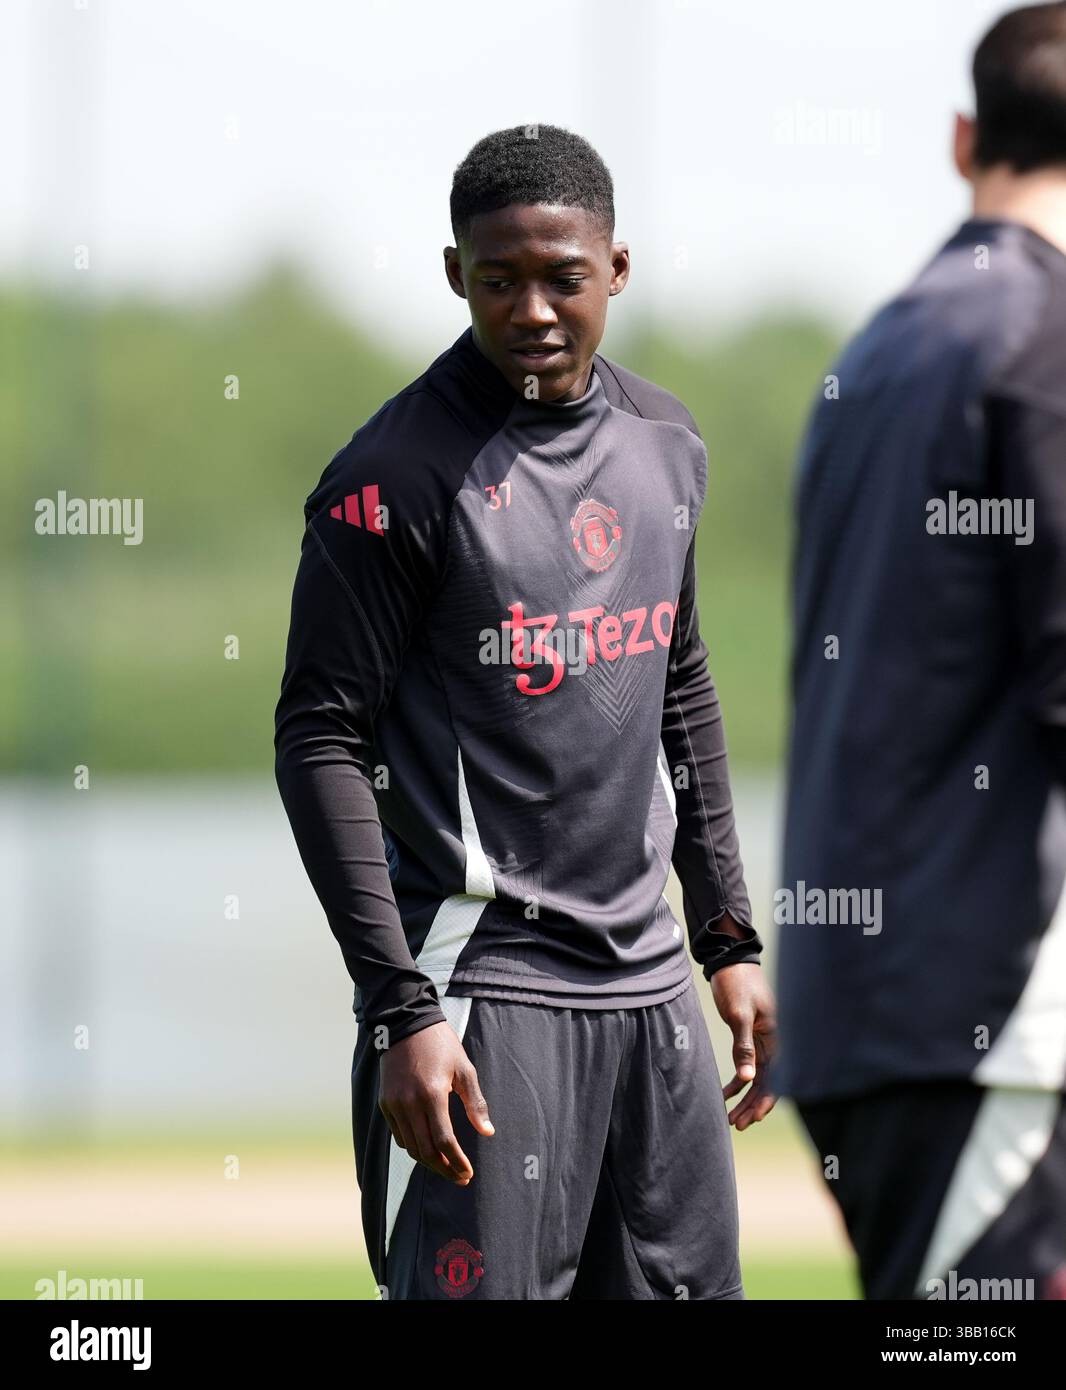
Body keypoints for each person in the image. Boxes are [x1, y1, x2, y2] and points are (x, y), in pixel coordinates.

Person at [273, 123, 776, 1301]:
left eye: (564, 277)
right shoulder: (386, 480)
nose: (534, 309)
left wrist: (727, 937)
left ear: (617, 270)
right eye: (499, 280)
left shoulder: (667, 443)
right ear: (456, 275)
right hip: (484, 998)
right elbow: (319, 740)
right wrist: (402, 1008)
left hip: (653, 989)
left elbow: (679, 682)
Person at [775, 2, 1066, 1301]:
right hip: (993, 1021)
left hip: (876, 1008)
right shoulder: (1046, 340)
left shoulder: (879, 344)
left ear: (964, 138)